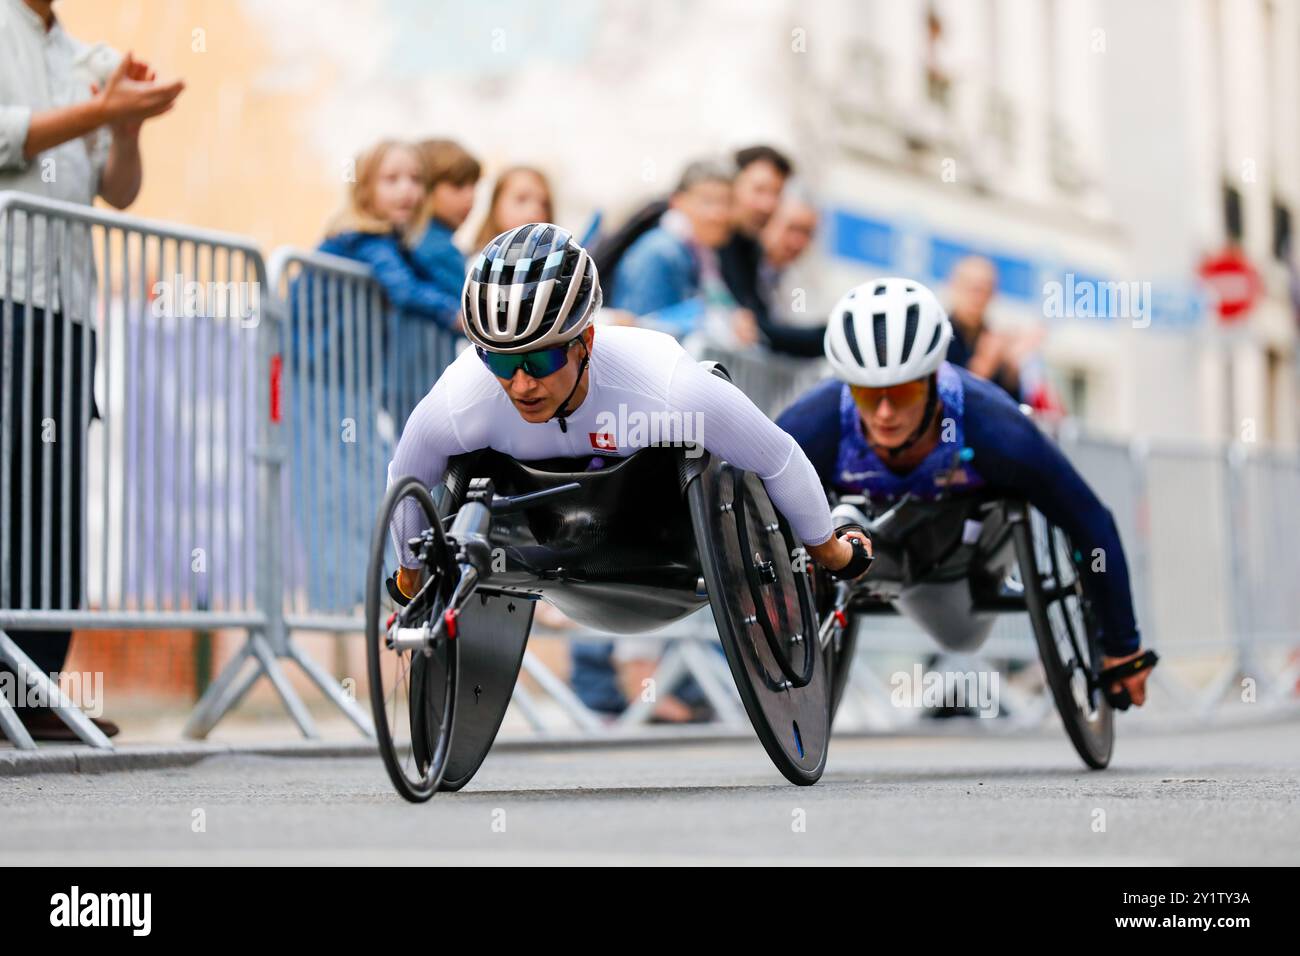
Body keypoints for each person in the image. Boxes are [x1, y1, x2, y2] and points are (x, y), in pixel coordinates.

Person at [385, 221, 872, 626]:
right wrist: (411, 574)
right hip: (546, 541)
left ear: (585, 341)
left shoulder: (666, 386)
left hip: (662, 540)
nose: (520, 384)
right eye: (499, 362)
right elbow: (406, 480)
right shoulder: (462, 394)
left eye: (539, 361)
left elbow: (778, 456)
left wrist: (828, 550)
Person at [777, 278, 1155, 708]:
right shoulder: (819, 420)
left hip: (970, 553)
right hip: (876, 546)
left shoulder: (993, 425)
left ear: (933, 381)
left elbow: (1089, 522)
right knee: (825, 507)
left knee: (959, 634)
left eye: (901, 393)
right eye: (866, 394)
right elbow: (747, 507)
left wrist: (1122, 646)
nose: (884, 413)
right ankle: (849, 528)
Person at [0, 0, 183, 741]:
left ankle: (35, 690)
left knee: (51, 499)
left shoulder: (82, 55)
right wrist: (99, 109)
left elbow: (119, 189)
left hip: (67, 307)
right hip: (5, 289)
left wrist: (125, 124)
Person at [607, 159, 757, 346]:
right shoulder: (661, 252)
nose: (719, 214)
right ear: (677, 202)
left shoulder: (702, 256)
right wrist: (724, 327)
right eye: (708, 202)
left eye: (727, 202)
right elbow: (638, 335)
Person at [409, 138, 481, 322]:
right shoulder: (437, 247)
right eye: (458, 185)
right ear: (425, 186)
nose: (470, 196)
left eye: (474, 186)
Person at [755, 189, 828, 358]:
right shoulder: (739, 263)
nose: (797, 242)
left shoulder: (798, 280)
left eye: (807, 233)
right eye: (792, 229)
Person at [944, 255, 1021, 399]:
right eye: (971, 288)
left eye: (985, 289)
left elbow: (1011, 408)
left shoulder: (995, 342)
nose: (977, 297)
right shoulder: (937, 336)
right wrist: (984, 363)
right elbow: (946, 398)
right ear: (953, 285)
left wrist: (1012, 372)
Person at [473, 165, 554, 251]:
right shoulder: (476, 261)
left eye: (544, 204)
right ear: (496, 203)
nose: (535, 212)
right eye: (522, 199)